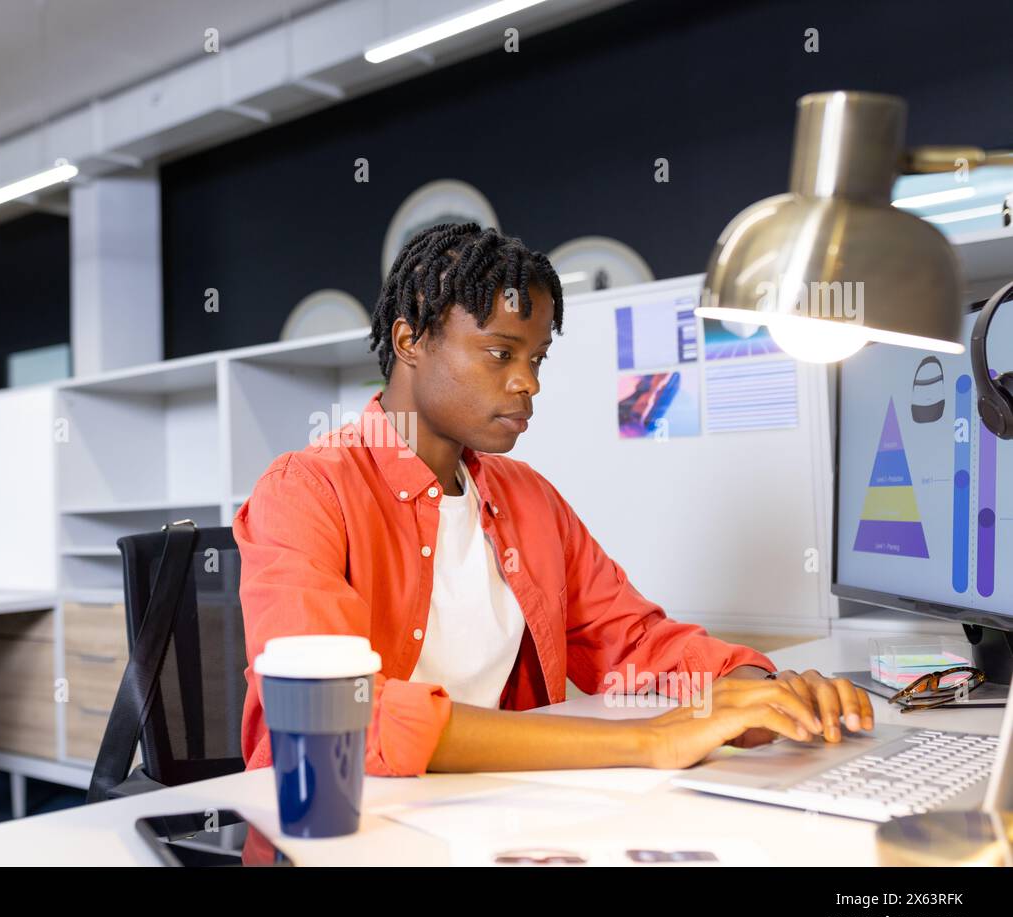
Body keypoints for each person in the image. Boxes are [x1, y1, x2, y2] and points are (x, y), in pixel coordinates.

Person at [234, 222, 873, 776]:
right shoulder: (306, 492)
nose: (527, 382)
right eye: (499, 353)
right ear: (409, 342)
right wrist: (650, 740)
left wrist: (758, 692)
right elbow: (324, 711)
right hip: (344, 824)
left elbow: (635, 642)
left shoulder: (528, 499)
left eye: (537, 357)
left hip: (498, 812)